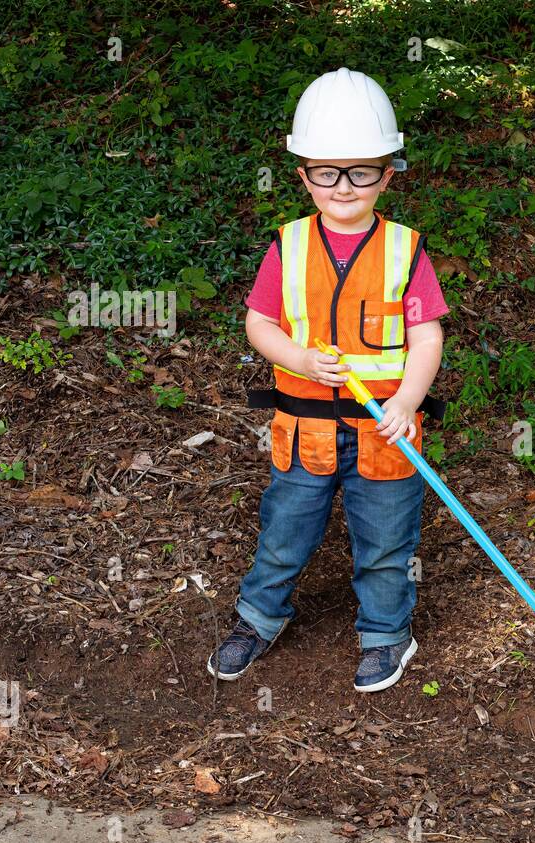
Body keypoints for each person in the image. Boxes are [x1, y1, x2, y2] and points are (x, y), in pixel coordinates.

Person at [207, 68, 447, 692]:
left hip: (385, 433)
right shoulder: (286, 247)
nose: (344, 186)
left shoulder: (406, 250)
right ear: (304, 174)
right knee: (284, 535)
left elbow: (427, 337)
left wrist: (408, 399)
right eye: (327, 171)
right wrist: (301, 359)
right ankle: (258, 620)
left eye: (362, 170)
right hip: (305, 432)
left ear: (388, 173)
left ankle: (387, 635)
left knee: (388, 545)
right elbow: (259, 324)